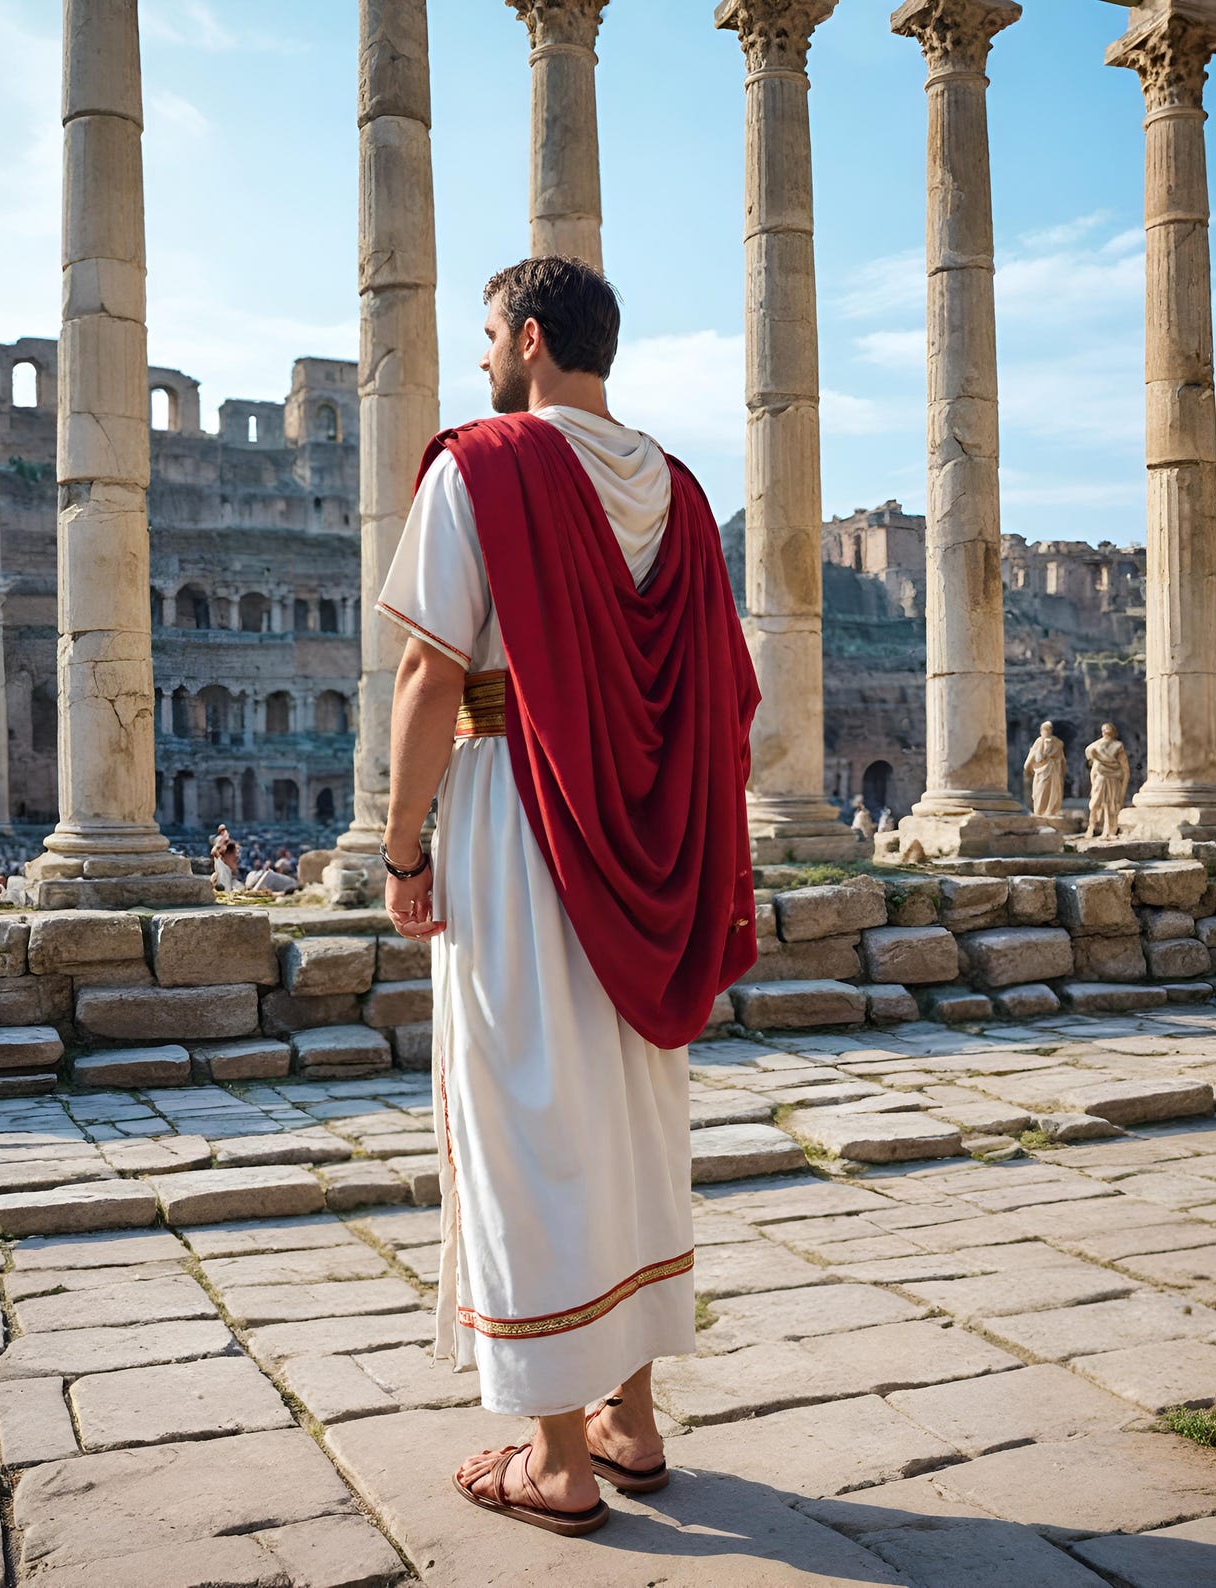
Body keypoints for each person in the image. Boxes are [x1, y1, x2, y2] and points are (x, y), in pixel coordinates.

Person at [376, 257, 758, 1537]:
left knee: (521, 1114)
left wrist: (401, 848)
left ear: (529, 340)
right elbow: (719, 691)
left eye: (488, 333)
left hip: (515, 811)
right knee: (625, 1116)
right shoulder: (684, 492)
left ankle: (554, 1457)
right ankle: (632, 1419)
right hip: (648, 835)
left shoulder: (479, 465)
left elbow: (433, 671)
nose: (482, 354)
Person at [1084, 722, 1131, 839]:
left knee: (1111, 804)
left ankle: (1110, 831)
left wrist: (1124, 782)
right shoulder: (1097, 745)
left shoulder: (1117, 746)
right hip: (1100, 777)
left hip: (1113, 777)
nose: (1106, 733)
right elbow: (1089, 752)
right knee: (1095, 803)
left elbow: (1124, 766)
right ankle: (1092, 827)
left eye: (1108, 730)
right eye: (1104, 731)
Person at [1023, 722, 1067, 820]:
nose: (1046, 731)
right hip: (1041, 771)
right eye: (1044, 729)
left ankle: (1051, 811)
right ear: (1041, 731)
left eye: (1048, 729)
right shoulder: (1038, 742)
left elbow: (1062, 759)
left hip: (1053, 771)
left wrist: (1063, 772)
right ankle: (1039, 811)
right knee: (1039, 792)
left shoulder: (1057, 743)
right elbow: (1032, 755)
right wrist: (1027, 767)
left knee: (1053, 792)